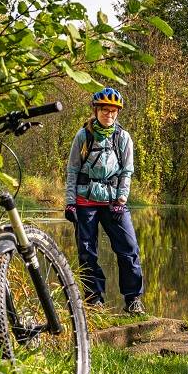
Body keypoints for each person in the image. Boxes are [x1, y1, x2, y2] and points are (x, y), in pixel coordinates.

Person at [64, 87, 145, 315]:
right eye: (104, 110)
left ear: (117, 113)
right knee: (87, 253)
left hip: (113, 202)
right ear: (96, 111)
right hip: (85, 201)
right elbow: (72, 170)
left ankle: (133, 299)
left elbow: (127, 171)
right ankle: (94, 300)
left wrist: (121, 199)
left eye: (113, 111)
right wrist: (70, 202)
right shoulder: (83, 136)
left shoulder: (123, 138)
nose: (109, 115)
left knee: (129, 249)